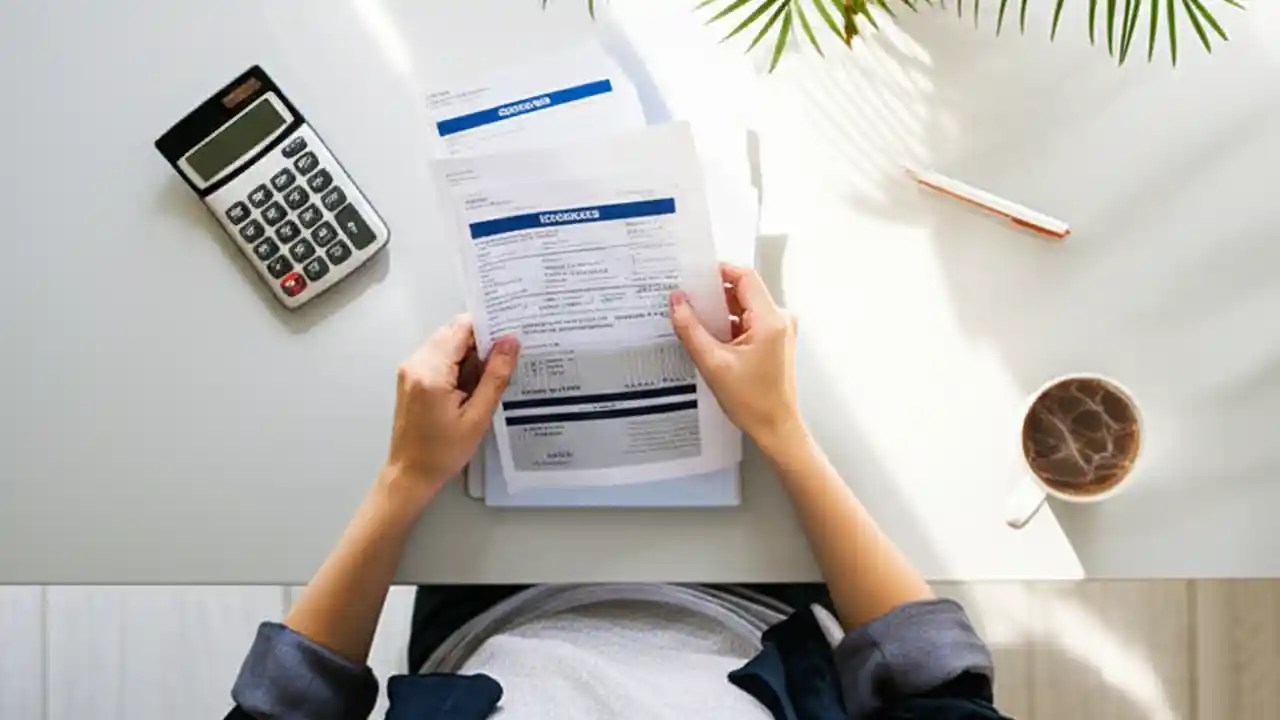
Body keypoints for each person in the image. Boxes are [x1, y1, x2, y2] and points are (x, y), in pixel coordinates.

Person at [225, 265, 1004, 720]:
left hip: (489, 602)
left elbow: (288, 708)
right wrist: (783, 433)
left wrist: (406, 479)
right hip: (760, 602)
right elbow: (934, 687)